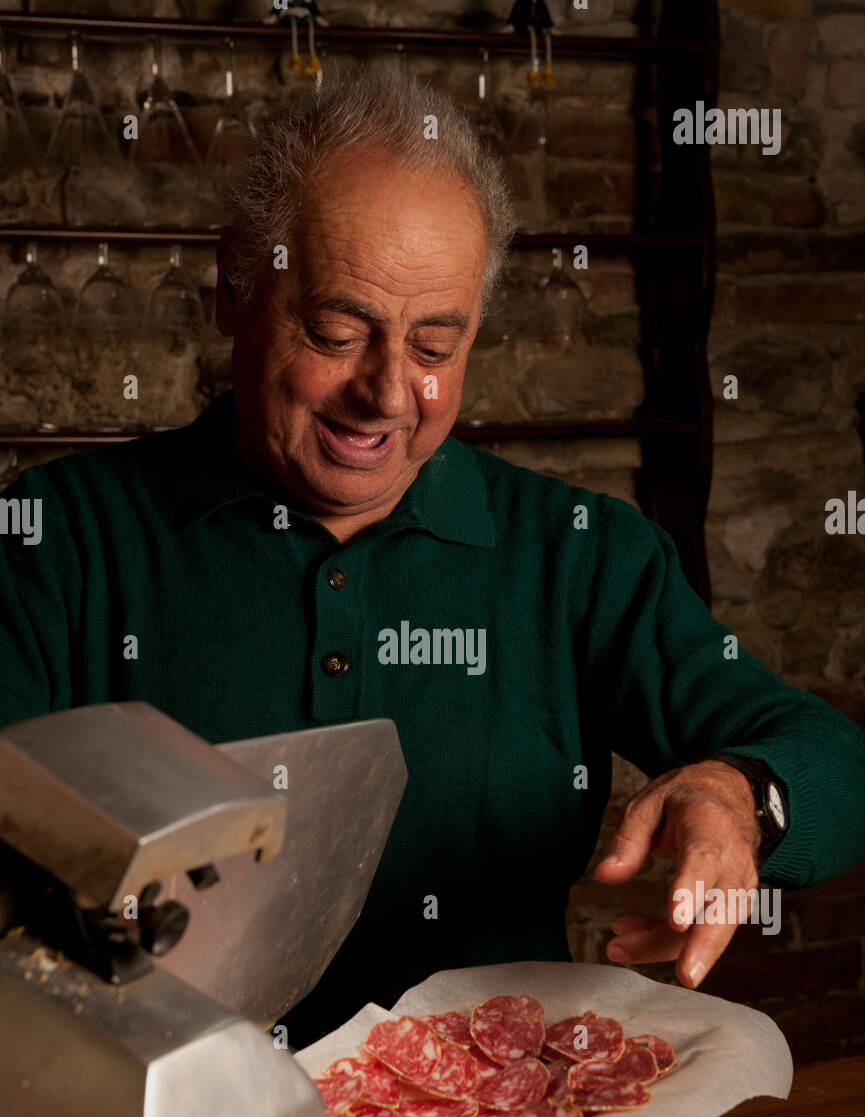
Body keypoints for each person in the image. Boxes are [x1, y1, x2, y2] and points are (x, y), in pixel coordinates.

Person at [0, 71, 862, 1048]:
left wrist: (739, 795)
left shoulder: (575, 552)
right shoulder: (54, 536)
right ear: (232, 294)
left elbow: (834, 762)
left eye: (435, 348)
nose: (385, 392)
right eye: (335, 332)